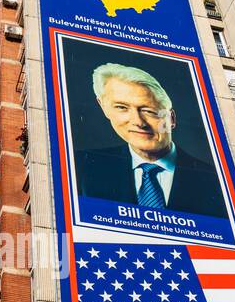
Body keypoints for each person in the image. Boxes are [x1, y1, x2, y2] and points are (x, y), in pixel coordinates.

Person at [75, 62, 226, 217]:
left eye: (149, 111)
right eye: (121, 107)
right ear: (104, 107)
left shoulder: (218, 181)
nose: (138, 122)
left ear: (171, 119)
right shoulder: (78, 166)